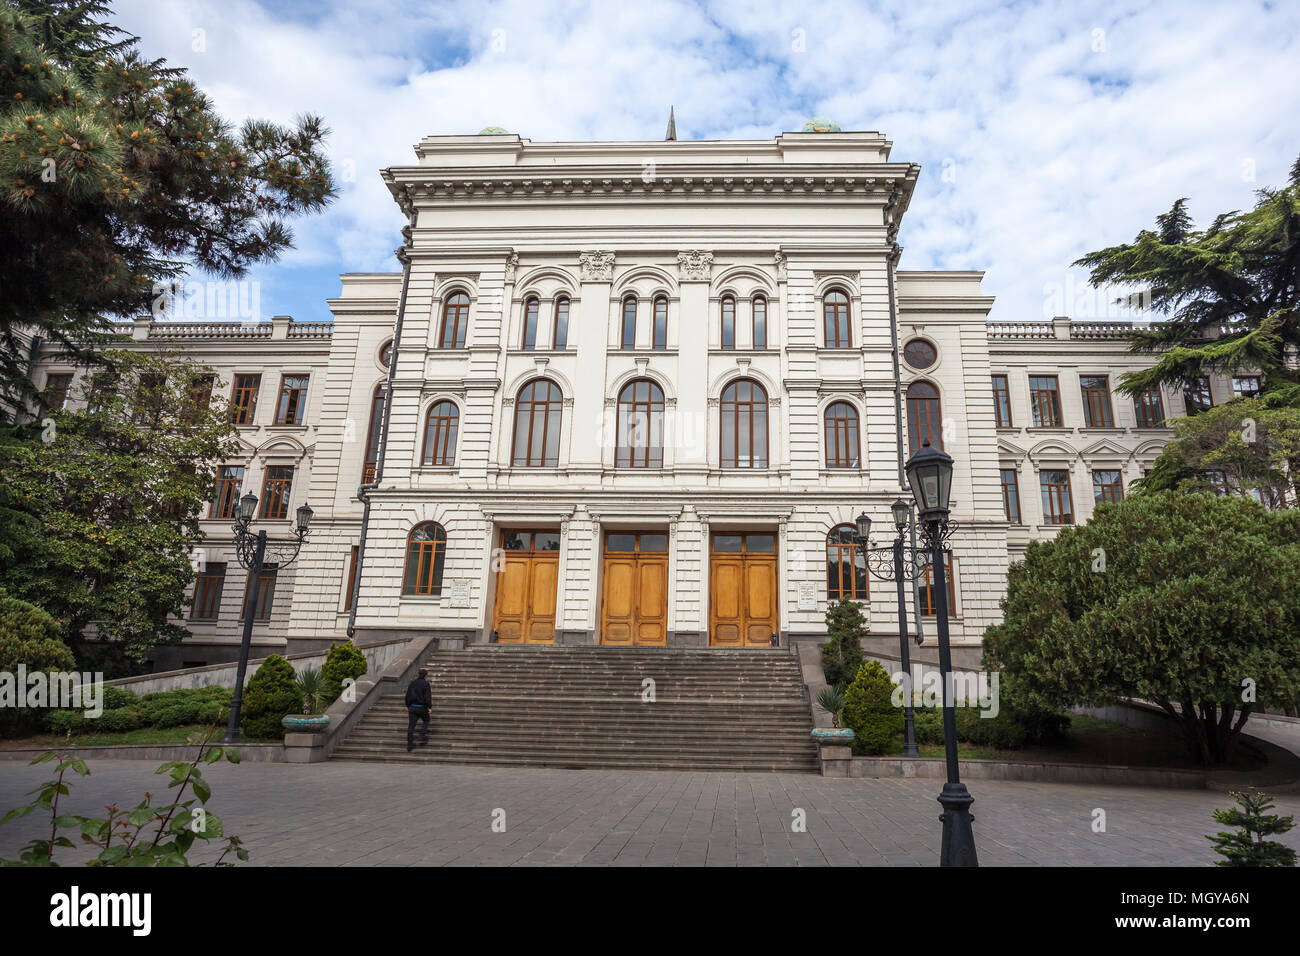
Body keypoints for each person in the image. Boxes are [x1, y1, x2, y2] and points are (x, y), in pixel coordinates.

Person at [404, 668, 432, 752]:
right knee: (426, 720)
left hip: (413, 707)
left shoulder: (412, 683)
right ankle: (422, 734)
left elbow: (408, 695)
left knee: (411, 727)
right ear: (426, 676)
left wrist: (407, 705)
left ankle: (409, 745)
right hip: (422, 707)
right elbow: (428, 697)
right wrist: (429, 707)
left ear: (418, 674)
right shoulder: (426, 684)